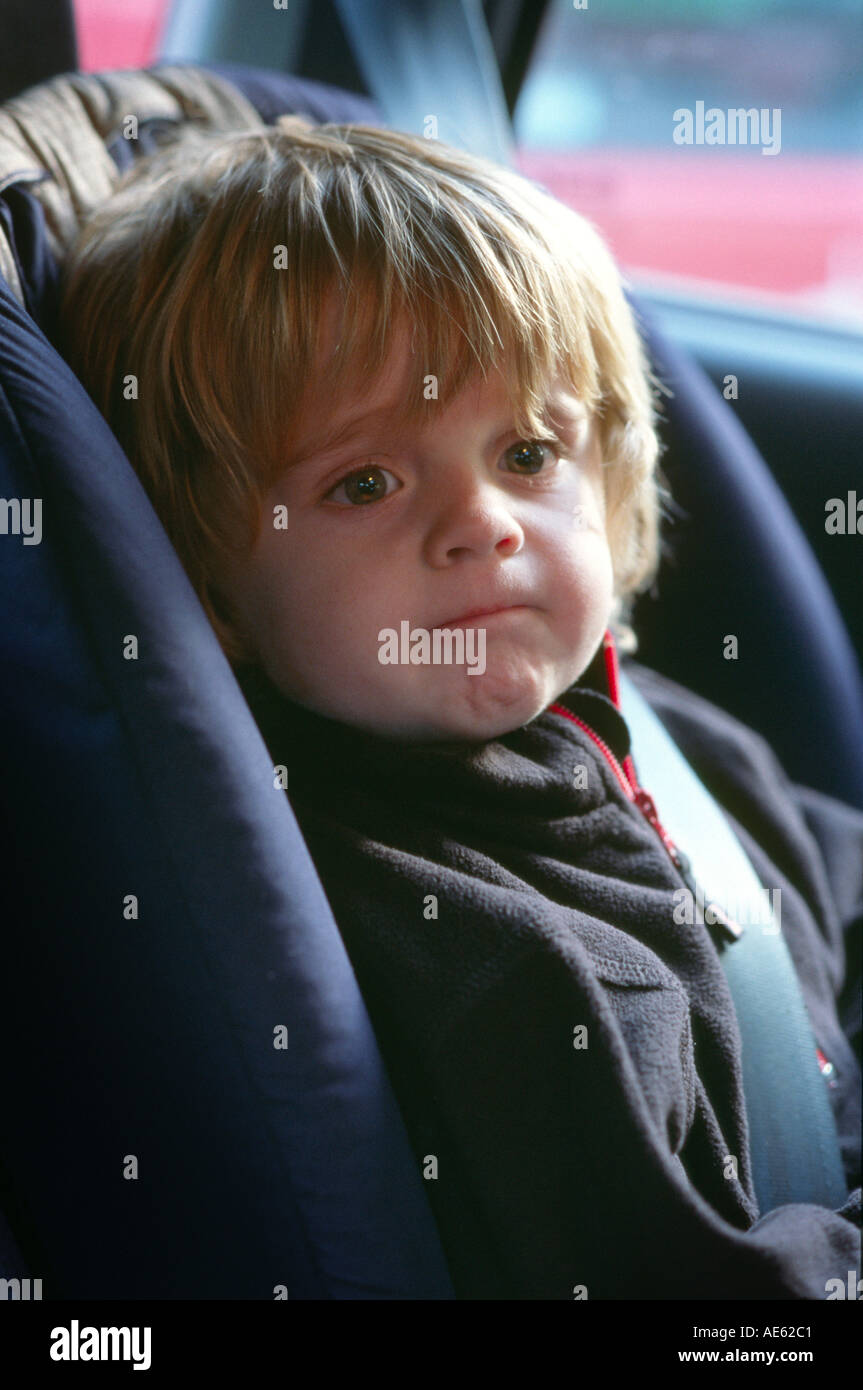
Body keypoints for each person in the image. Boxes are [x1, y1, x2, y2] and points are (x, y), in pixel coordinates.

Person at [56, 115, 861, 1299]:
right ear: (204, 580)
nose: (483, 520)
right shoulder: (484, 968)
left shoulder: (658, 734)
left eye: (529, 453)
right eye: (365, 481)